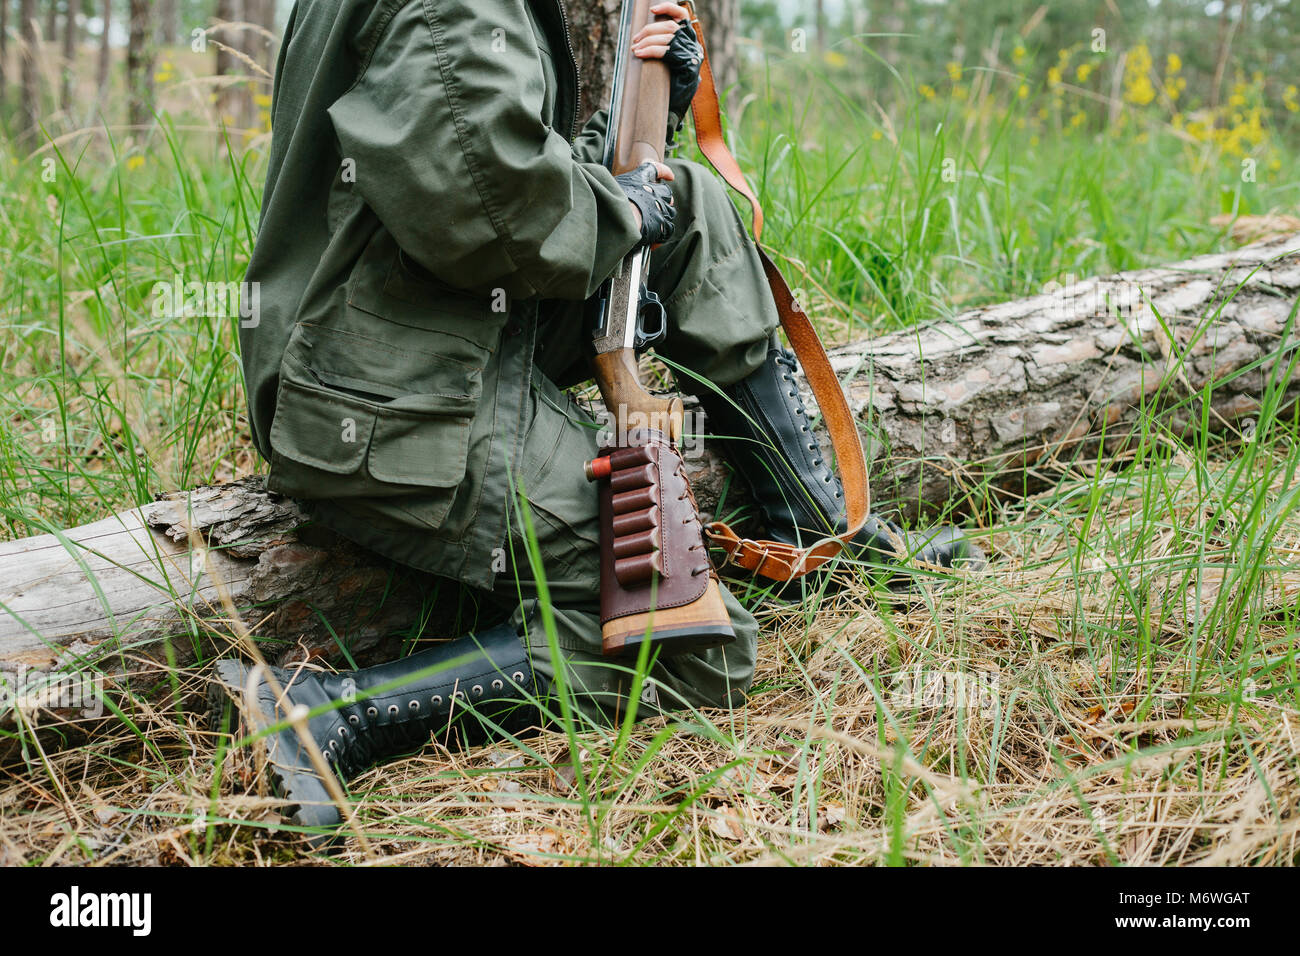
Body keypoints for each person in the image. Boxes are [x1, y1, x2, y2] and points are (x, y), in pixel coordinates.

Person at [210, 0, 979, 842]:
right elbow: (490, 213)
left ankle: (810, 526)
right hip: (378, 390)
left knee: (690, 207)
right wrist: (620, 211)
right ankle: (329, 713)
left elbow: (500, 170)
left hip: (432, 325)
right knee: (686, 639)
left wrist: (645, 120)